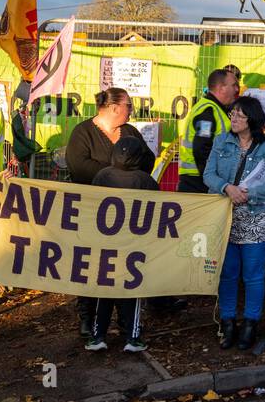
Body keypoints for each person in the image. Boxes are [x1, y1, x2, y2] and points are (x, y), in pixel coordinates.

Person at [65, 87, 157, 332]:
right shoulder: (83, 133)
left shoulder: (129, 132)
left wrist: (120, 173)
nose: (132, 110)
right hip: (93, 212)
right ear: (115, 107)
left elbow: (148, 159)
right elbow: (79, 166)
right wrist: (119, 173)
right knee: (92, 267)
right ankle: (89, 318)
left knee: (125, 266)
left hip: (127, 216)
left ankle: (127, 320)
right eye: (129, 105)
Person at [203, 95, 265, 350]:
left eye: (239, 115)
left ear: (252, 119)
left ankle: (250, 323)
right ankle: (228, 323)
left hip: (256, 215)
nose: (233, 119)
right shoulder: (221, 142)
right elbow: (208, 174)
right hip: (225, 215)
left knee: (253, 274)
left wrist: (250, 194)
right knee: (227, 273)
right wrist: (227, 188)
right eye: (232, 114)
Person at [86, 136, 156, 353]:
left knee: (104, 290)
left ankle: (98, 336)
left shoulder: (103, 175)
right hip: (134, 246)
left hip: (105, 246)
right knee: (132, 292)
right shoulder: (146, 181)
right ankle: (133, 338)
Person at [178, 68, 240, 192]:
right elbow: (201, 148)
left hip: (200, 178)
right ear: (221, 88)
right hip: (198, 181)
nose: (237, 89)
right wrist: (212, 180)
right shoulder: (208, 110)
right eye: (234, 85)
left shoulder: (215, 108)